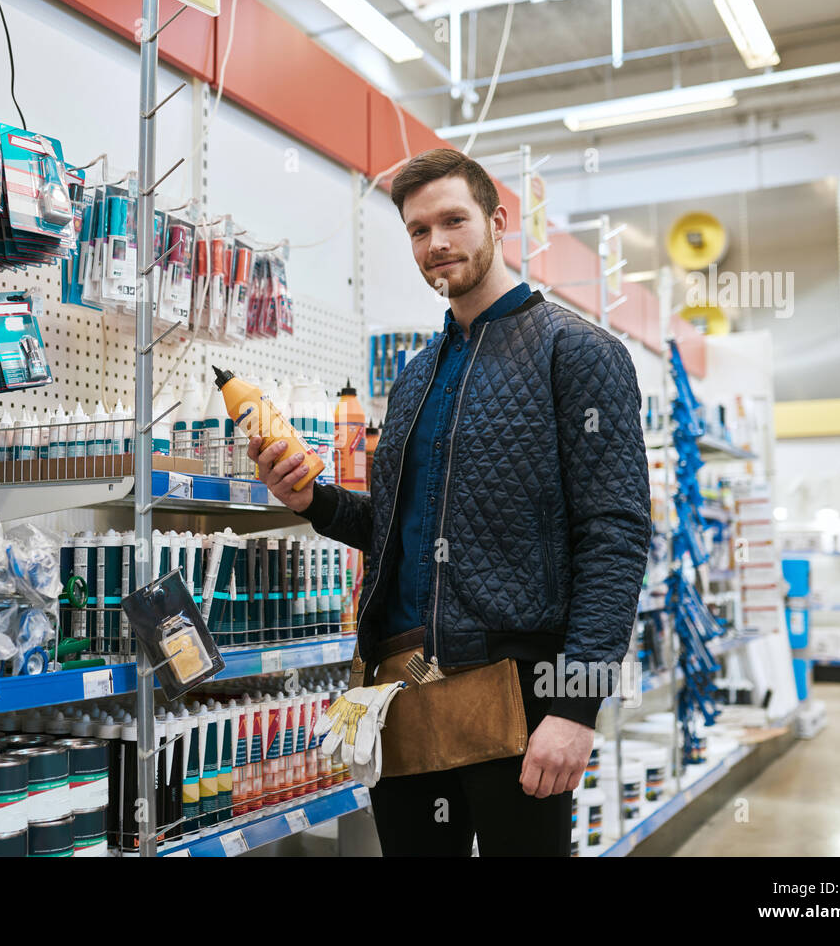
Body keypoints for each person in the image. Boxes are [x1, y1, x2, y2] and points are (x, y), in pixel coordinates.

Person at [246, 148, 650, 856]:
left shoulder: (579, 352)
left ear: (497, 221)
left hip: (518, 695)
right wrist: (312, 499)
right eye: (416, 229)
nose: (435, 243)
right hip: (403, 686)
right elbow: (396, 529)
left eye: (453, 220)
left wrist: (577, 707)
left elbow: (614, 536)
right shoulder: (414, 378)